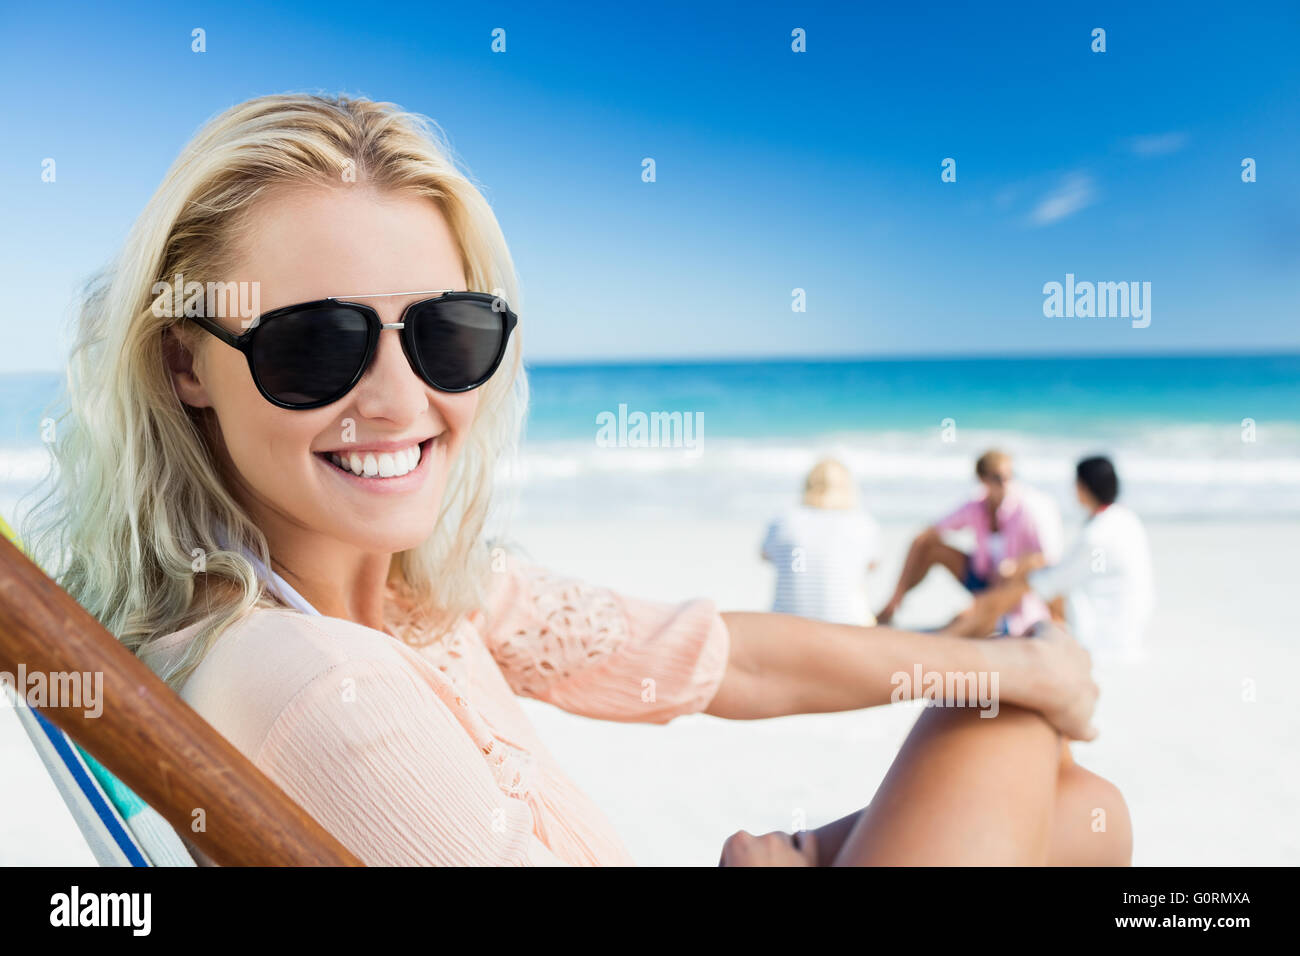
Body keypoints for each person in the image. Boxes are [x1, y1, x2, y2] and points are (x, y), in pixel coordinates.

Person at [20, 93, 1128, 866]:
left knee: (1070, 792)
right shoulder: (315, 681)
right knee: (1014, 744)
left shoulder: (404, 590)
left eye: (446, 334)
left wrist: (1017, 663)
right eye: (317, 342)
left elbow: (710, 655)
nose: (401, 400)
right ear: (183, 361)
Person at [943, 457, 1154, 665]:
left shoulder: (1096, 535)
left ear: (1083, 487)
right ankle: (975, 622)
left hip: (1103, 634)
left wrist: (1019, 571)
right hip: (1130, 625)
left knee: (1026, 585)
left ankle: (963, 629)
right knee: (1030, 582)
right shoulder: (1126, 520)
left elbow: (1052, 582)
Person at [876, 449, 1052, 635]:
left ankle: (978, 615)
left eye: (1010, 476)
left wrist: (1016, 566)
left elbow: (1046, 557)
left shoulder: (1027, 508)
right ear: (983, 480)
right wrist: (898, 593)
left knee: (964, 621)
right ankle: (893, 605)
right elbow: (928, 533)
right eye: (999, 477)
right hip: (982, 576)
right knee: (926, 545)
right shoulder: (976, 506)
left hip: (1010, 585)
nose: (1006, 483)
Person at [761, 458, 881, 626]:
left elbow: (765, 555)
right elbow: (871, 566)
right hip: (848, 626)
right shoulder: (863, 524)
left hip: (787, 626)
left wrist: (800, 560)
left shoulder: (784, 521)